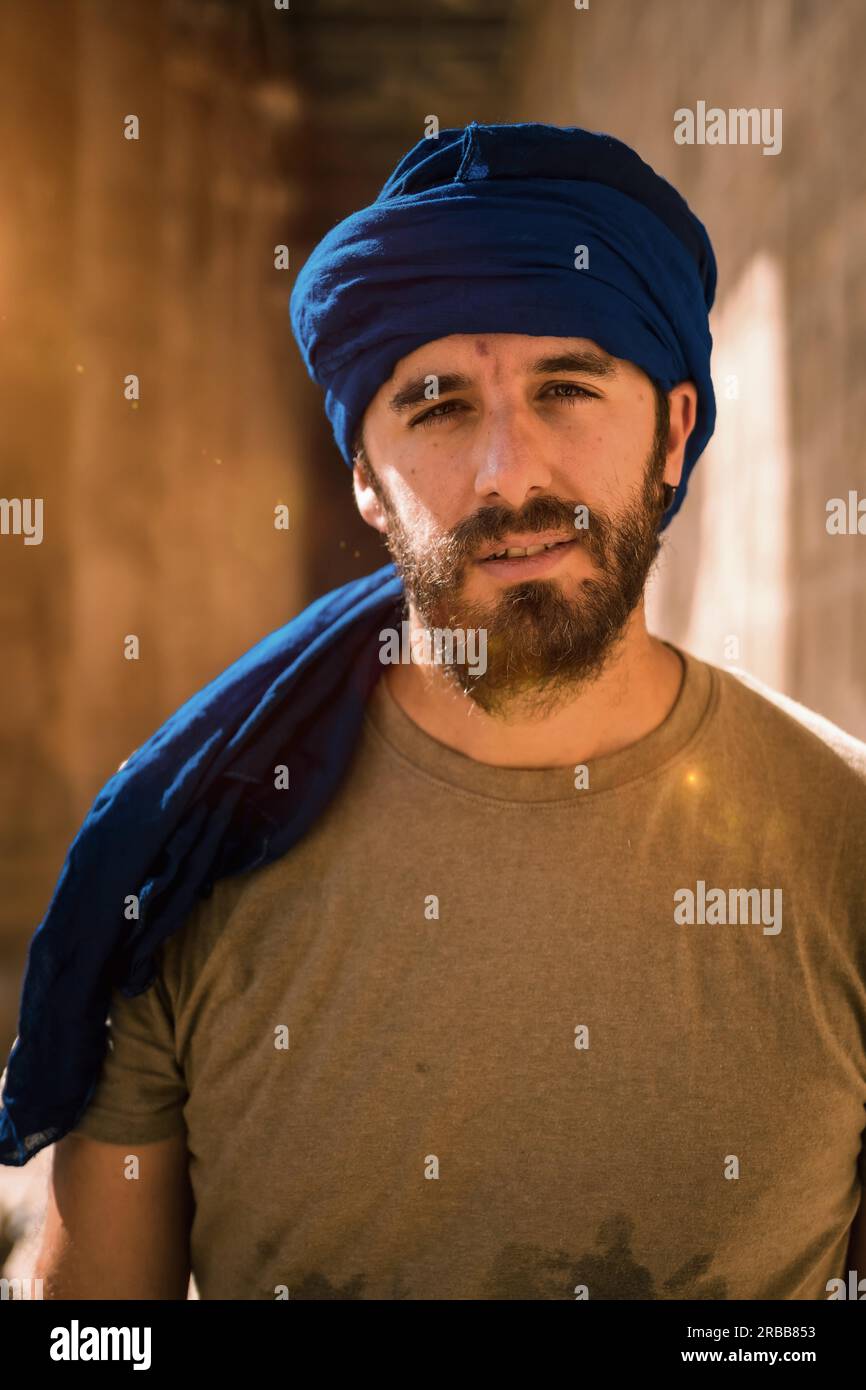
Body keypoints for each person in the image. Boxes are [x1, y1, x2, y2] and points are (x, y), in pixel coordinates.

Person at [34, 122, 866, 1301]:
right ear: (366, 481)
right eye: (434, 406)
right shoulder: (190, 854)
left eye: (565, 389)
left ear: (674, 431)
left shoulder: (845, 845)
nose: (505, 473)